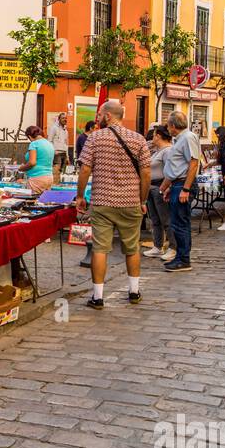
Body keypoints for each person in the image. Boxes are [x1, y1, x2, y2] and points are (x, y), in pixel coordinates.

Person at [75, 99, 151, 308]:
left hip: (102, 201)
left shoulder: (94, 138)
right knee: (132, 247)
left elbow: (85, 169)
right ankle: (134, 292)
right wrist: (142, 199)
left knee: (100, 249)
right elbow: (146, 172)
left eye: (100, 114)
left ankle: (98, 297)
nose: (97, 118)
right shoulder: (138, 139)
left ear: (108, 116)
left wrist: (80, 196)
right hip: (130, 202)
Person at [160, 111, 201, 273]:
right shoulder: (181, 139)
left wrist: (186, 188)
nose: (168, 129)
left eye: (168, 125)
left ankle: (184, 259)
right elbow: (178, 166)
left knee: (180, 224)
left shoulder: (188, 137)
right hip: (177, 184)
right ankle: (180, 257)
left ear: (173, 126)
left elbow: (193, 163)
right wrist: (168, 186)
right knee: (177, 223)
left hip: (183, 185)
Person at [144, 125, 176, 260]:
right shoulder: (158, 151)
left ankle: (173, 247)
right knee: (155, 220)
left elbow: (171, 171)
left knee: (166, 219)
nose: (152, 138)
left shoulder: (168, 151)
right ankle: (157, 246)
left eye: (154, 135)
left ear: (159, 136)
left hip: (160, 187)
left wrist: (165, 187)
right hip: (151, 188)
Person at [22, 125, 55, 194]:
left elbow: (32, 163)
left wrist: (22, 168)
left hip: (37, 178)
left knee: (32, 202)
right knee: (43, 202)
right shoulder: (49, 144)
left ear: (30, 136)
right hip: (49, 177)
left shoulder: (34, 144)